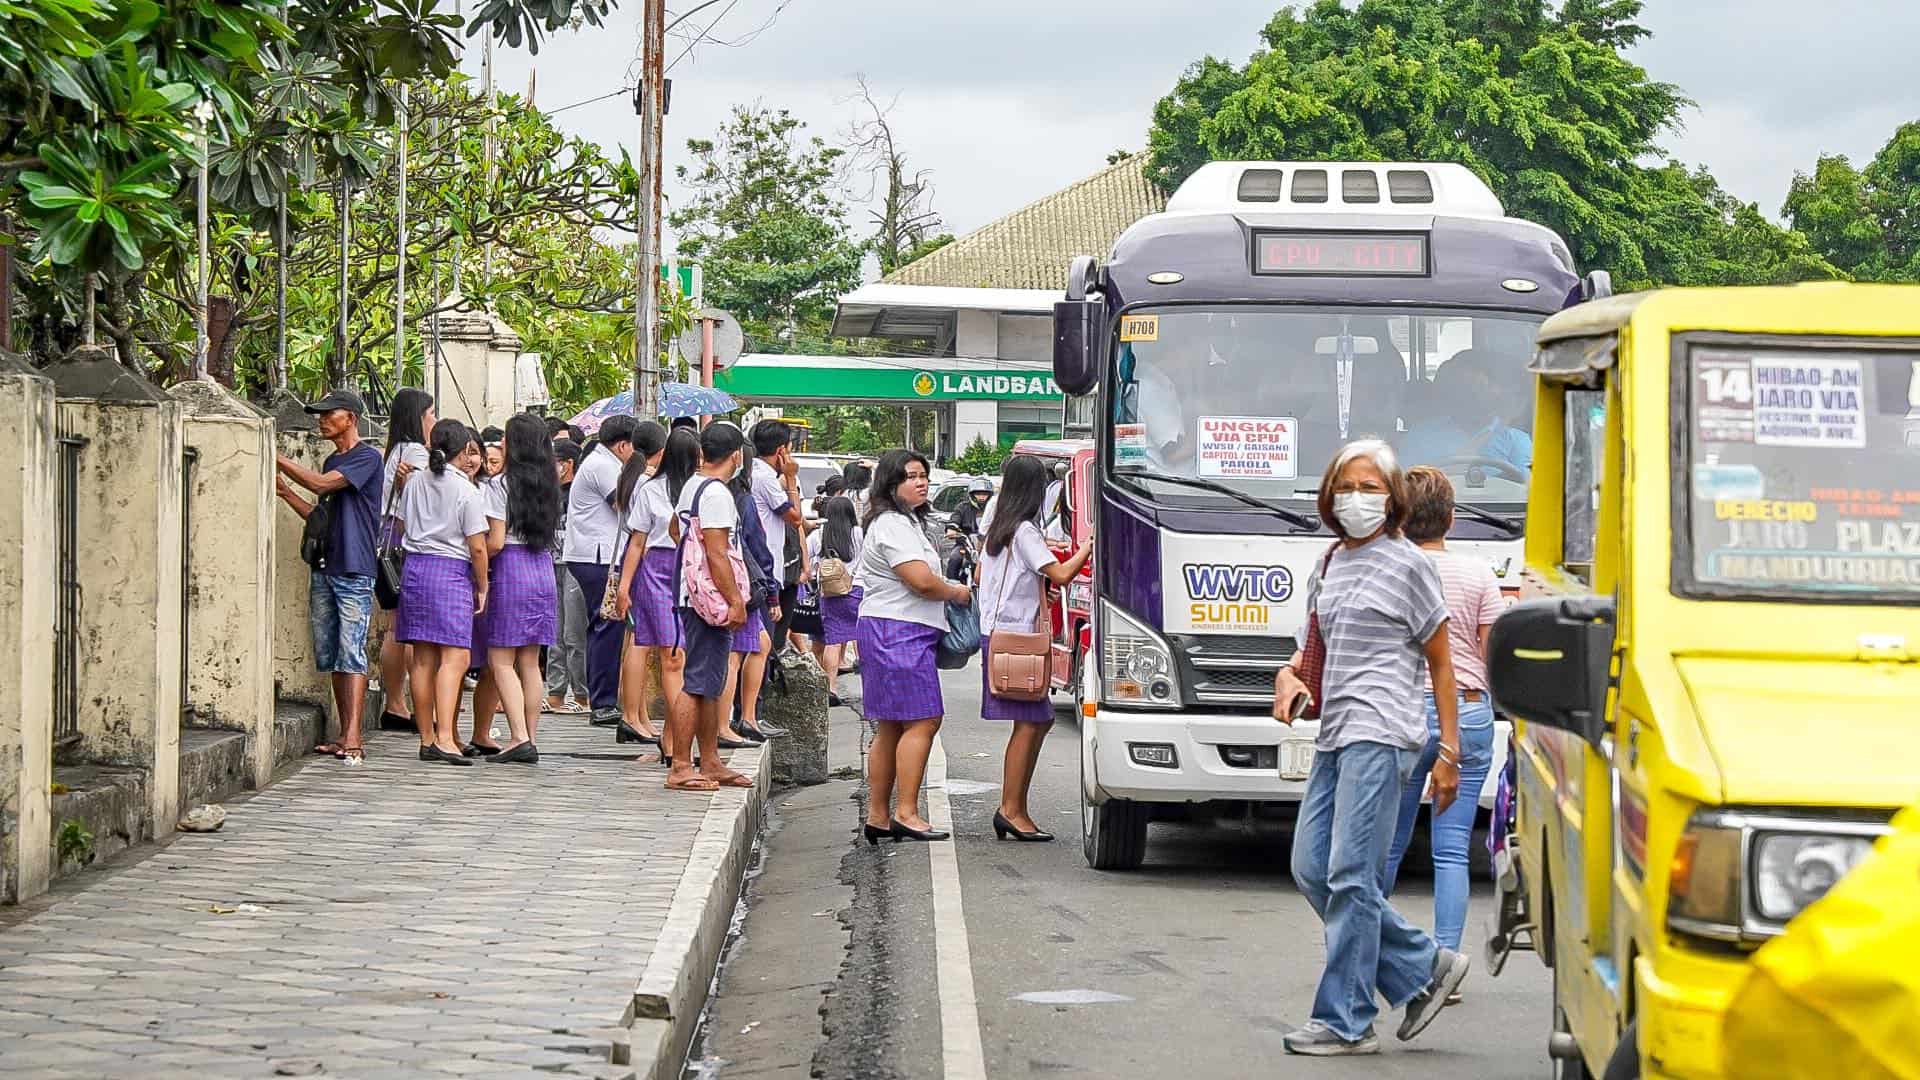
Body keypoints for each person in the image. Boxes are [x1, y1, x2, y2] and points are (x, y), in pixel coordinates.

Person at [1272, 439, 1469, 1056]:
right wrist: (1289, 677)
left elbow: (1443, 664)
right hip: (1335, 732)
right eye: (1347, 487)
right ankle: (1422, 965)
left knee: (1352, 875)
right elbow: (1311, 652)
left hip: (1384, 733)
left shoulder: (1409, 564)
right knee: (1312, 867)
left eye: (1371, 487)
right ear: (1329, 495)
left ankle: (1346, 1019)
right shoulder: (1330, 562)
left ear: (1393, 500)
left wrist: (1450, 754)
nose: (1357, 498)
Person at [1384, 467, 1505, 964]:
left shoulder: (1388, 569)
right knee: (1451, 849)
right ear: (1451, 520)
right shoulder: (1478, 573)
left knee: (1386, 846)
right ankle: (1446, 962)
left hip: (1405, 711)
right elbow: (1490, 651)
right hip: (1470, 713)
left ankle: (1362, 947)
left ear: (1399, 519)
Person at [856, 450, 970, 844]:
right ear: (891, 484)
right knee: (924, 720)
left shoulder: (904, 523)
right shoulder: (893, 525)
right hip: (897, 631)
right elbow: (920, 580)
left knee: (890, 726)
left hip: (892, 627)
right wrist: (956, 592)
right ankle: (905, 811)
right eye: (911, 477)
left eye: (924, 475)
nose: (920, 482)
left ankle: (880, 815)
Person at [976, 455, 1091, 842]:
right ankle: (1011, 809)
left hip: (1002, 635)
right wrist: (1088, 546)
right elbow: (1060, 573)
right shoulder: (1024, 531)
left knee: (1036, 721)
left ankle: (1014, 808)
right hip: (1017, 639)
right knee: (1031, 722)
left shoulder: (997, 523)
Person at [276, 387, 384, 763]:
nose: (321, 420)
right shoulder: (331, 461)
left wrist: (274, 457)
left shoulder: (366, 457)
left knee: (351, 652)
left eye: (328, 414)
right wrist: (285, 493)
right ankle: (344, 733)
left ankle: (353, 737)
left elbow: (323, 487)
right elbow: (321, 517)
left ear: (350, 418)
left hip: (354, 566)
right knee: (333, 653)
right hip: (326, 562)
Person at [662, 423, 756, 793]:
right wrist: (734, 600)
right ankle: (683, 765)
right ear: (736, 455)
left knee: (710, 682)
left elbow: (675, 530)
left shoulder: (693, 485)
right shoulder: (717, 493)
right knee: (699, 681)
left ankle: (711, 760)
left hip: (693, 594)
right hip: (709, 600)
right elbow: (717, 551)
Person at [395, 419, 489, 768]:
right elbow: (477, 547)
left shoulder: (415, 482)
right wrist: (482, 585)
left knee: (422, 658)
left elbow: (403, 523)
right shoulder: (466, 490)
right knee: (456, 658)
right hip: (450, 571)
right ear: (464, 449)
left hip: (417, 567)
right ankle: (447, 737)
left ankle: (428, 737)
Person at [474, 414, 564, 764]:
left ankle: (518, 737)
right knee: (529, 660)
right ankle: (530, 735)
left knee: (500, 659)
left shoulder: (499, 485)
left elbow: (495, 541)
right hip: (541, 568)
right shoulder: (548, 484)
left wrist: (476, 555)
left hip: (511, 569)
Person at [616, 427, 698, 748]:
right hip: (656, 572)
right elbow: (637, 541)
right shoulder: (651, 490)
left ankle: (671, 735)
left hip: (691, 571)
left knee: (681, 654)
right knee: (670, 654)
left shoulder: (700, 489)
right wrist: (624, 588)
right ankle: (677, 739)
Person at [562, 415, 640, 725]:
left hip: (598, 554)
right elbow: (624, 503)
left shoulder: (604, 462)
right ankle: (603, 701)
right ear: (622, 445)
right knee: (607, 623)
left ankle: (603, 698)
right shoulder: (603, 466)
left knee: (606, 624)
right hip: (596, 556)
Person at [374, 387, 434, 734]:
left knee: (394, 625)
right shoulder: (415, 452)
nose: (434, 421)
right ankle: (400, 702)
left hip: (390, 535)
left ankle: (395, 700)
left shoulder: (394, 450)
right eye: (430, 414)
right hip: (406, 539)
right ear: (418, 417)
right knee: (405, 629)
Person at [612, 422, 670, 741]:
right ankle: (631, 715)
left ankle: (639, 715)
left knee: (637, 642)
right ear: (661, 451)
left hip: (635, 563)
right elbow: (640, 537)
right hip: (643, 565)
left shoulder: (632, 475)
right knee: (639, 642)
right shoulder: (646, 482)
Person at [749, 421, 810, 680]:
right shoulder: (766, 478)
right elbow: (796, 519)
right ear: (782, 450)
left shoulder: (751, 471)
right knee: (766, 640)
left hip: (757, 562)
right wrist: (792, 479)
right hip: (768, 565)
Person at [545, 439, 590, 713]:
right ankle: (555, 691)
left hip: (574, 564)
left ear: (568, 464)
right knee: (554, 633)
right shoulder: (548, 493)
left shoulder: (579, 493)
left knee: (574, 633)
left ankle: (582, 693)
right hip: (550, 564)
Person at [809, 495, 862, 706]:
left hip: (830, 594)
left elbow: (807, 556)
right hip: (857, 590)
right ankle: (872, 687)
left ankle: (830, 688)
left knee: (833, 640)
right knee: (863, 638)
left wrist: (815, 570)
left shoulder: (819, 534)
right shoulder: (858, 533)